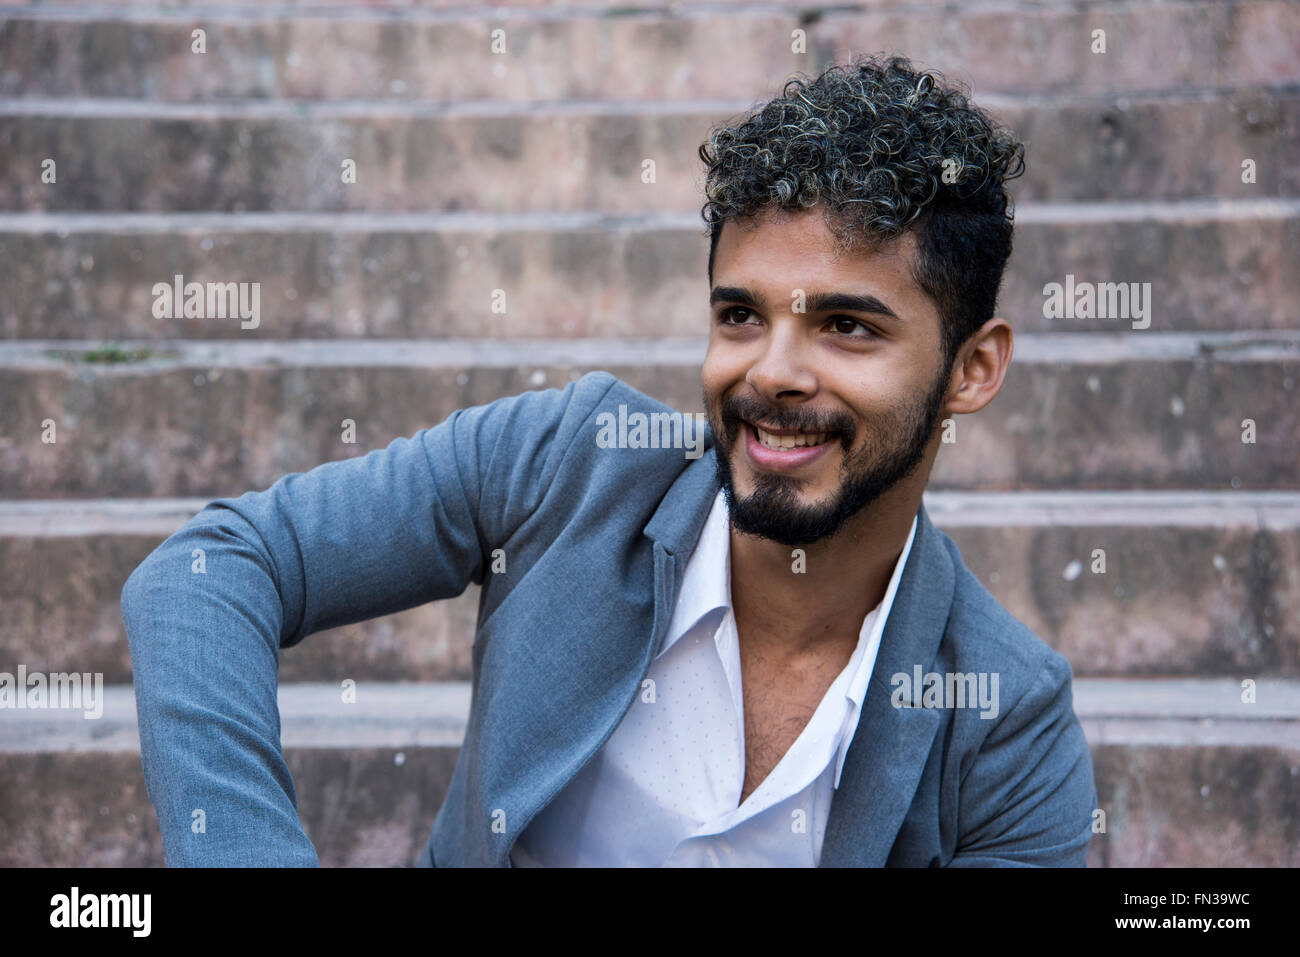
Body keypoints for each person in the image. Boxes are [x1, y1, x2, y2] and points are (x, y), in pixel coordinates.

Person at [121, 53, 1097, 867]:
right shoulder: (568, 465)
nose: (774, 373)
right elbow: (210, 569)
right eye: (739, 315)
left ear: (972, 368)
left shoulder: (1005, 721)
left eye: (847, 326)